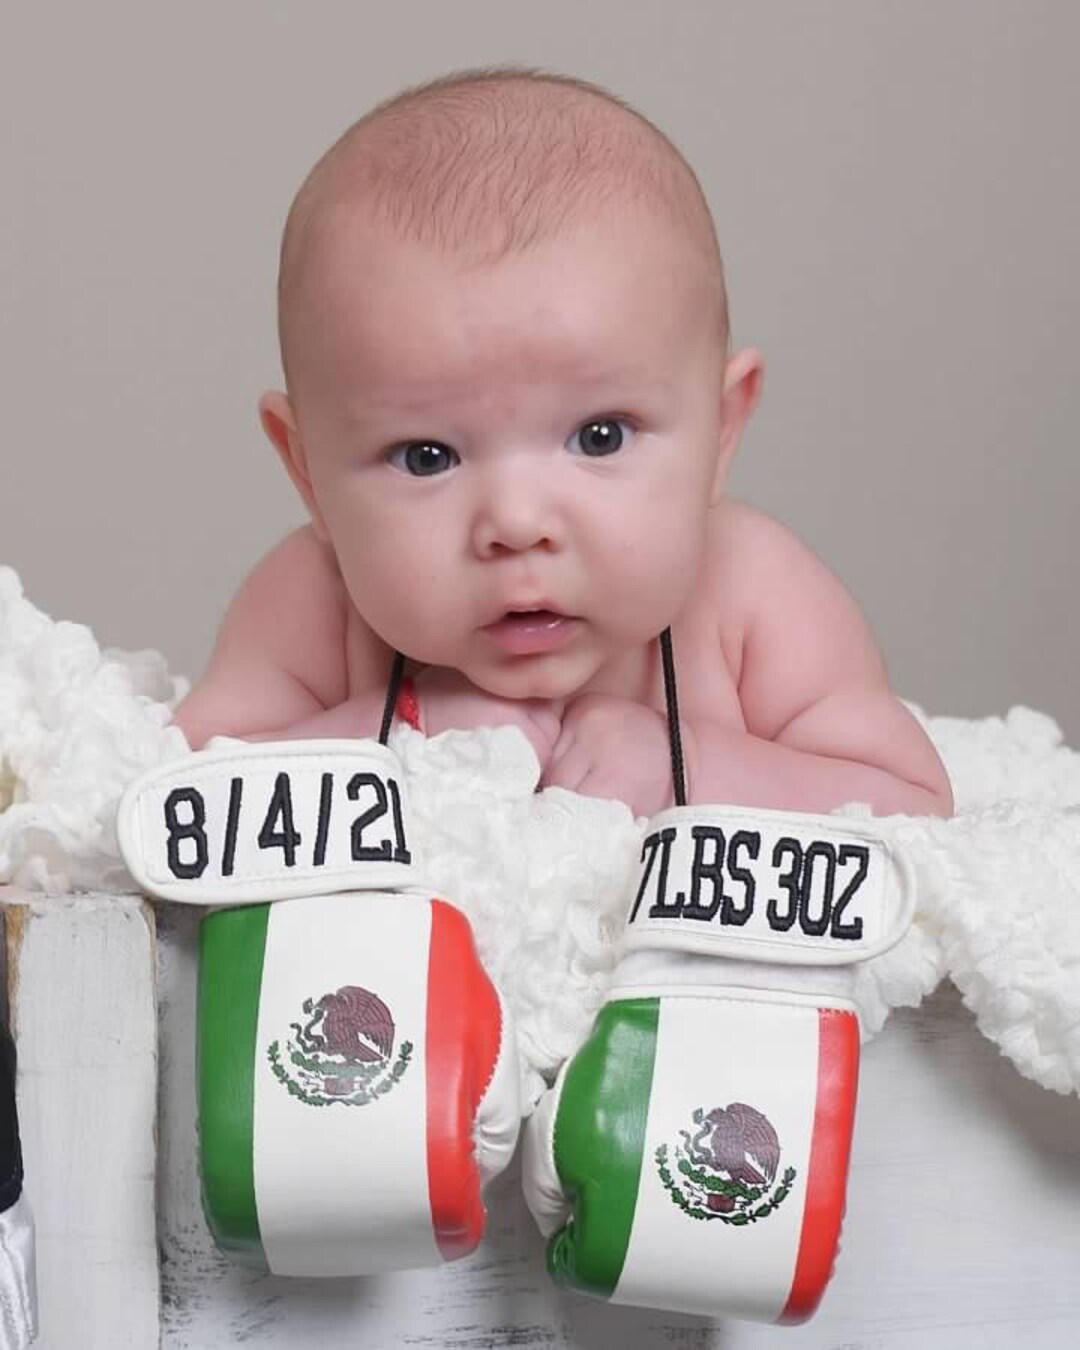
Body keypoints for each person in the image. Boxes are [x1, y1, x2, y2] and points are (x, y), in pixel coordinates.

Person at [175, 67, 952, 821]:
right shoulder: (314, 599)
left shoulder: (755, 594)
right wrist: (409, 739)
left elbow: (913, 802)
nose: (517, 523)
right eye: (427, 456)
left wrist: (687, 766)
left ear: (723, 431)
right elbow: (181, 786)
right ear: (306, 472)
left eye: (600, 437)